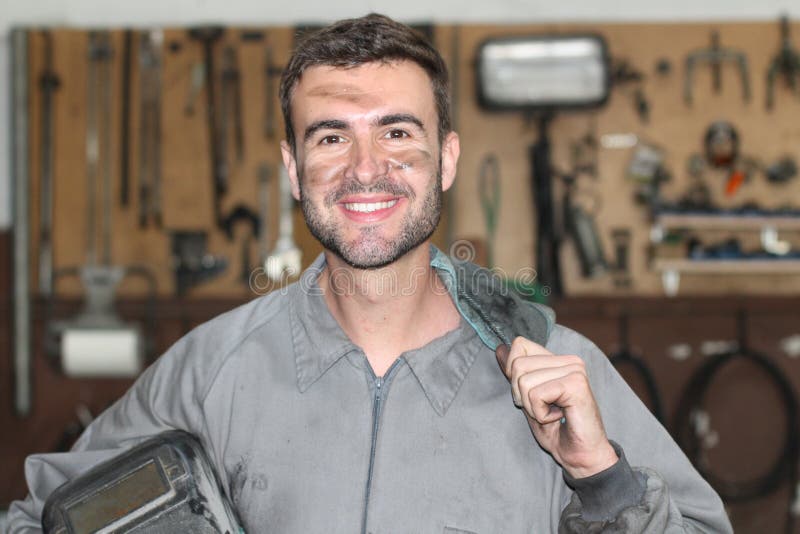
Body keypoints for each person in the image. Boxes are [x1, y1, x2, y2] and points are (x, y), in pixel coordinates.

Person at [9, 14, 731, 533]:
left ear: (446, 159)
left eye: (397, 132)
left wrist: (601, 478)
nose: (365, 169)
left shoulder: (564, 375)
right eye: (331, 137)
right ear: (294, 170)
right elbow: (35, 518)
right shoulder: (212, 370)